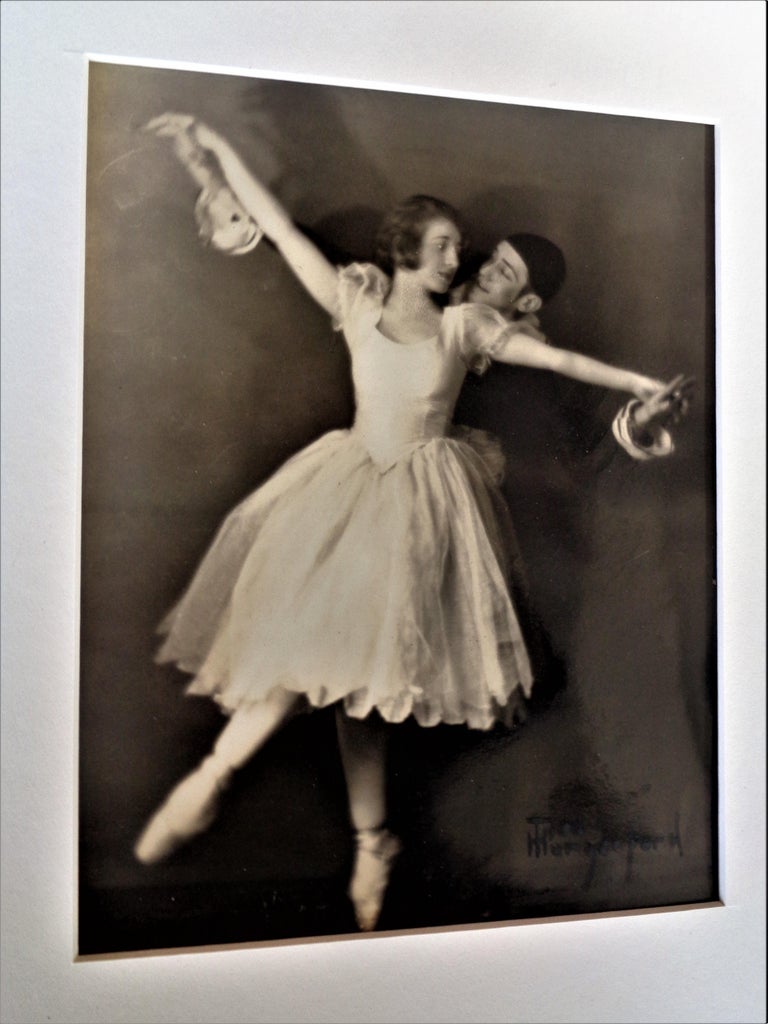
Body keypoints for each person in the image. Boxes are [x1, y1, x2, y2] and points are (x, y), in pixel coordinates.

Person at [133, 113, 683, 932]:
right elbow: (280, 231)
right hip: (344, 491)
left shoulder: (468, 327)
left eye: (462, 249)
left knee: (368, 691)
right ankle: (247, 786)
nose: (458, 258)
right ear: (406, 249)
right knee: (314, 658)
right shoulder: (353, 301)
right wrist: (213, 146)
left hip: (421, 509)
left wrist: (643, 383)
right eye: (447, 245)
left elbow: (563, 360)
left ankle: (349, 833)